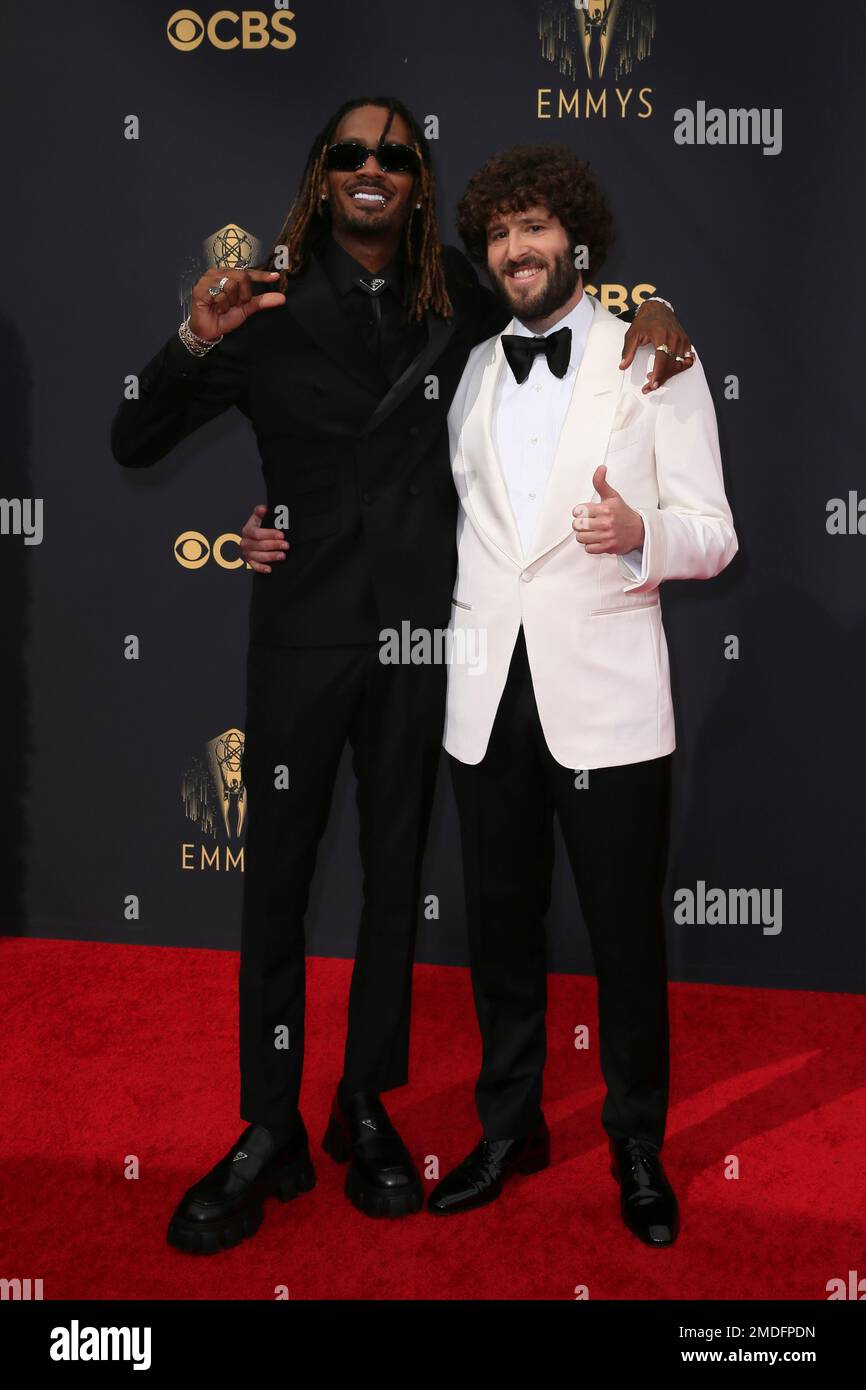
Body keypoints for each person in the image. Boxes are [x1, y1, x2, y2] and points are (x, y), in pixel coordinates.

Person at [111, 97, 691, 1254]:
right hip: (303, 634)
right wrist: (190, 341)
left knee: (390, 885)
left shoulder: (463, 299)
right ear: (322, 174)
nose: (371, 169)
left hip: (426, 646)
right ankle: (266, 1125)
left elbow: (568, 305)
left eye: (395, 155)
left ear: (419, 181)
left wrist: (661, 307)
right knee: (273, 883)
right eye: (349, 154)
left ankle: (362, 1104)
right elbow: (136, 438)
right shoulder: (261, 306)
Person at [418, 144, 737, 1246]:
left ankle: (635, 1143)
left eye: (536, 226)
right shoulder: (469, 368)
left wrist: (642, 533)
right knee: (500, 930)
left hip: (603, 697)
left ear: (576, 239)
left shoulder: (653, 355)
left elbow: (714, 532)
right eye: (500, 232)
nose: (518, 248)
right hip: (483, 693)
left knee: (621, 936)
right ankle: (509, 1127)